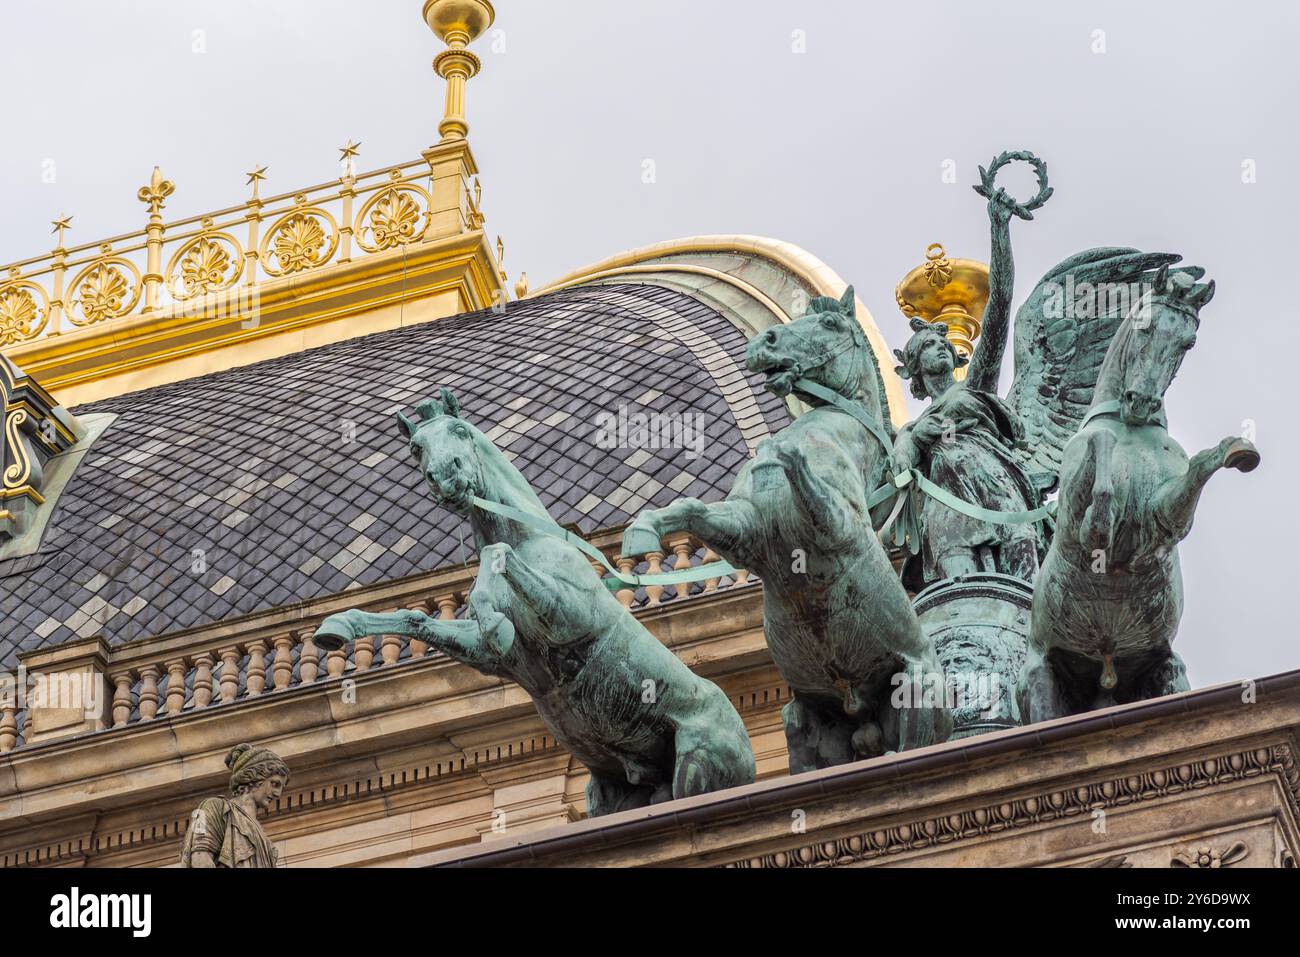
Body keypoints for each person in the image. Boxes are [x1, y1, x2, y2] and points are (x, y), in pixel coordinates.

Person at [180, 743, 288, 868]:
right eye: (274, 784)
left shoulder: (266, 842)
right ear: (253, 777)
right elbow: (200, 858)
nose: (278, 794)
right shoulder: (213, 807)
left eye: (281, 787)